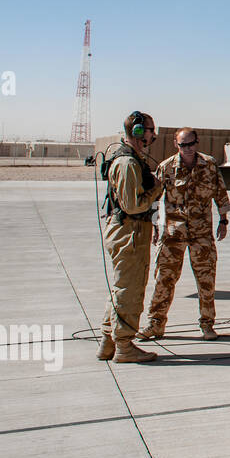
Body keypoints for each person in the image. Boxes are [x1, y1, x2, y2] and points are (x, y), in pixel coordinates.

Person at [139, 128, 230, 341]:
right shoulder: (166, 168)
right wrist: (154, 227)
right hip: (173, 234)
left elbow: (220, 192)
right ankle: (155, 324)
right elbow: (155, 199)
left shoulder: (209, 164)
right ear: (176, 145)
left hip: (202, 233)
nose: (187, 149)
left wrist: (224, 220)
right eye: (183, 145)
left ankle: (207, 325)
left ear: (197, 143)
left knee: (206, 281)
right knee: (164, 279)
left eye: (191, 144)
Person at [97, 111, 165, 363]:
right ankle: (124, 346)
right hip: (130, 232)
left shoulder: (130, 159)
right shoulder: (127, 163)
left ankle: (108, 342)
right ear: (137, 132)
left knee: (119, 289)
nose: (152, 135)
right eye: (149, 130)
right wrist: (157, 188)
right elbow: (132, 205)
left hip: (128, 231)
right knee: (130, 290)